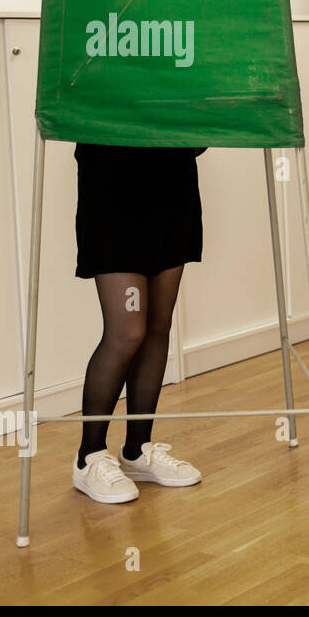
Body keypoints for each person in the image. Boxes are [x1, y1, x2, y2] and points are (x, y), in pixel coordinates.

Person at [70, 143, 206, 503]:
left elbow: (198, 130)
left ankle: (137, 450)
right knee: (128, 331)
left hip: (172, 183)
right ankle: (89, 456)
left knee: (158, 324)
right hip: (114, 185)